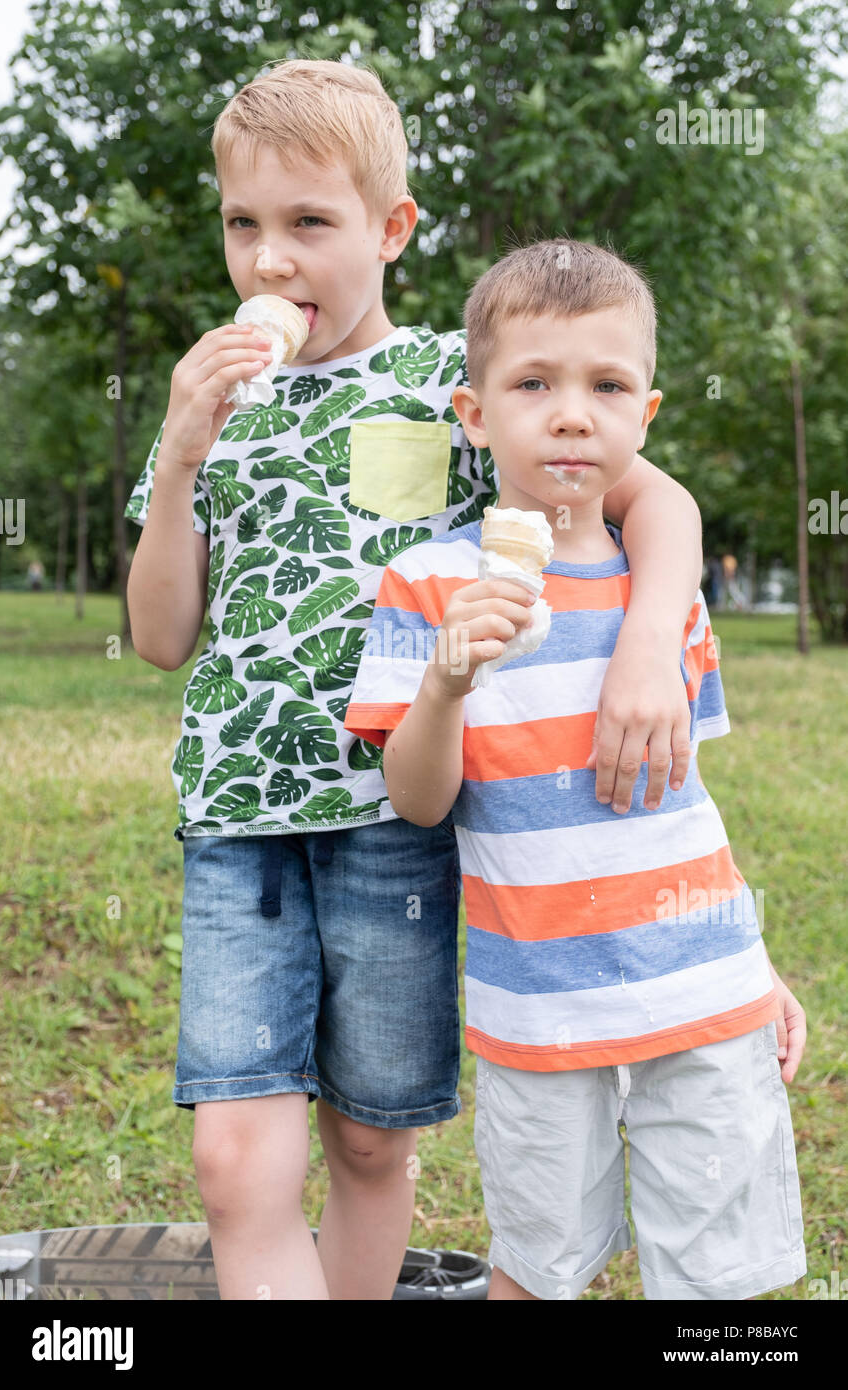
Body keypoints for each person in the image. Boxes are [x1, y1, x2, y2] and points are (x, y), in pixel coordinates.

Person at [126, 58, 716, 1301]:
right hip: (242, 818)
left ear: (391, 230)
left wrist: (648, 638)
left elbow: (647, 493)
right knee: (235, 1162)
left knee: (370, 1136)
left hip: (400, 816)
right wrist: (180, 455)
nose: (269, 261)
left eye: (308, 224)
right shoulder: (210, 404)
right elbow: (160, 634)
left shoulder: (461, 380)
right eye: (243, 224)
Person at [345, 236, 807, 1301]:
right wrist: (447, 682)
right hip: (538, 1014)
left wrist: (755, 963)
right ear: (473, 413)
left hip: (703, 996)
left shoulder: (668, 596)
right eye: (533, 383)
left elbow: (679, 807)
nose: (569, 413)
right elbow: (418, 801)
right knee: (534, 1270)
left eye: (605, 386)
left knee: (717, 1284)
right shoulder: (425, 586)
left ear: (643, 416)